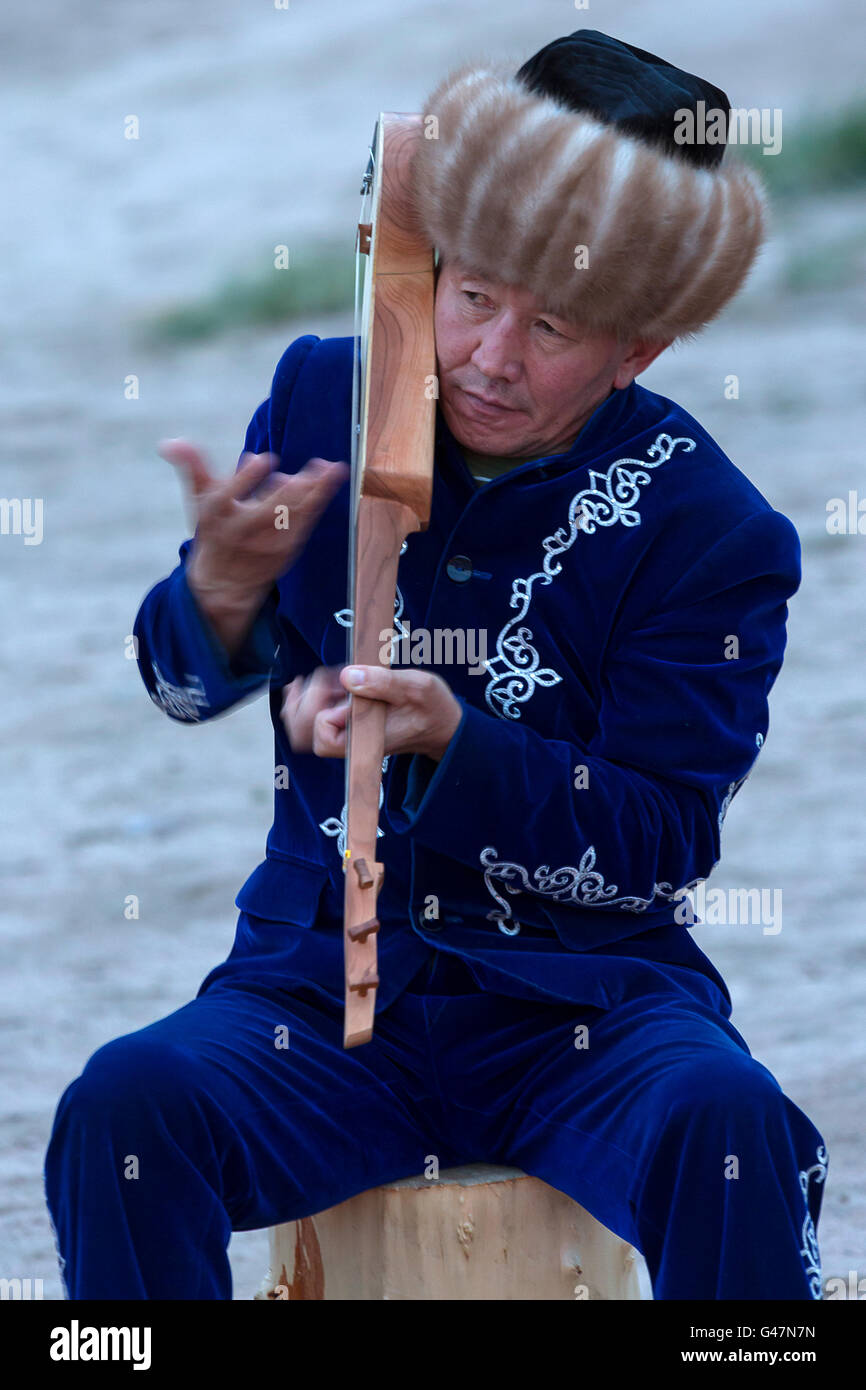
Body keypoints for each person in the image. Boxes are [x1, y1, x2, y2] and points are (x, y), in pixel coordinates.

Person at [44, 28, 827, 1300]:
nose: (489, 358)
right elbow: (178, 685)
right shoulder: (318, 400)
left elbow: (658, 836)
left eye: (553, 326)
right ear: (430, 262)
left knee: (729, 1134)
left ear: (641, 348)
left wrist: (453, 748)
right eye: (472, 296)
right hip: (318, 997)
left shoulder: (711, 529)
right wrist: (218, 594)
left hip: (581, 1013)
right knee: (124, 1111)